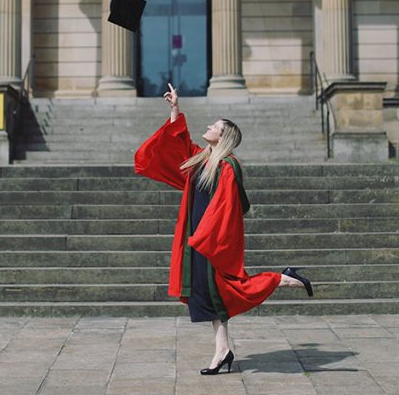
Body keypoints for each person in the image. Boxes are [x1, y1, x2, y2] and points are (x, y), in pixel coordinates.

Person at [134, 83, 313, 375]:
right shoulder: (203, 159)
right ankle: (222, 351)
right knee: (212, 298)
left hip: (209, 242)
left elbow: (227, 209)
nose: (209, 126)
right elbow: (177, 144)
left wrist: (203, 238)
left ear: (223, 136)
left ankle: (283, 278)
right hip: (199, 240)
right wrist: (174, 109)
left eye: (214, 126)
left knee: (226, 292)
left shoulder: (227, 166)